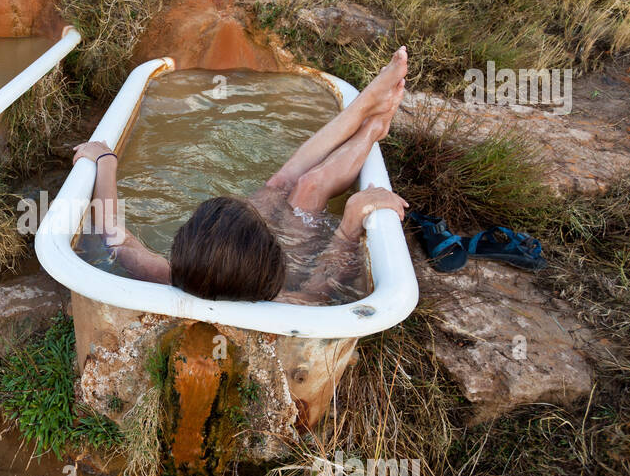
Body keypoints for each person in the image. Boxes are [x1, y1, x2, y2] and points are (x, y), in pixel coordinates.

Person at [73, 48, 412, 303]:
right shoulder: (284, 304)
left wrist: (106, 161)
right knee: (310, 187)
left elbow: (111, 232)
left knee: (280, 184)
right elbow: (328, 276)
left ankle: (364, 105)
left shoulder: (167, 275)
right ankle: (371, 129)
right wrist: (352, 218)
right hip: (283, 256)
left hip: (238, 256)